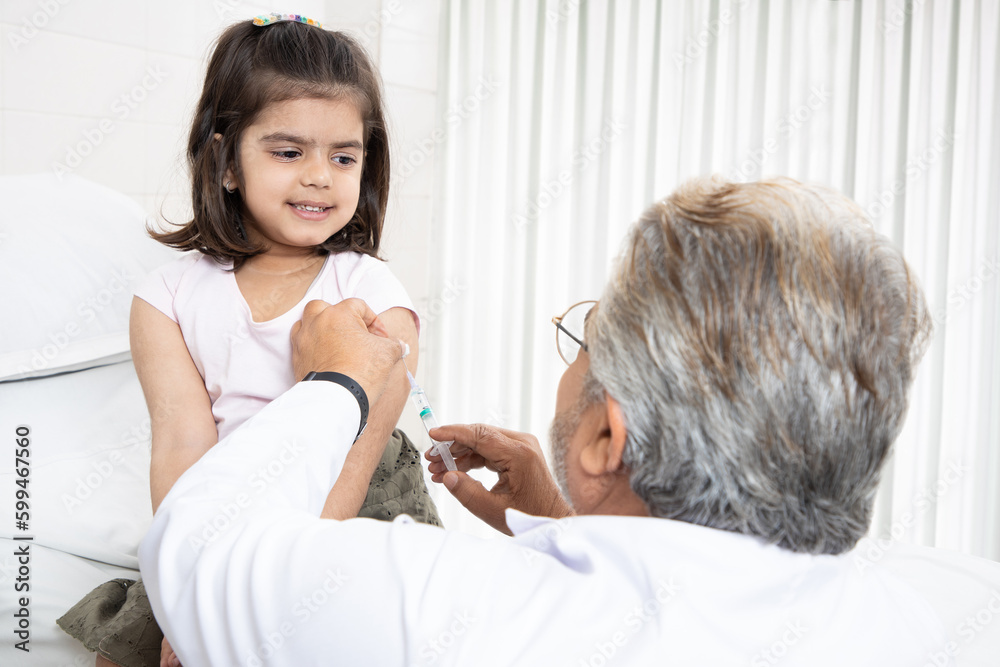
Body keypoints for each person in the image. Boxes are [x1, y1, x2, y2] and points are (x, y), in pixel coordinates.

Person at [140, 177, 1000, 666]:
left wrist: (336, 385)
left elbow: (196, 547)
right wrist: (561, 512)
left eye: (585, 339)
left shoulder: (446, 616)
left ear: (605, 439)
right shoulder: (939, 606)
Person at [56, 15, 440, 667]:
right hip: (231, 500)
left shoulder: (375, 292)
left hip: (352, 500)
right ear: (226, 162)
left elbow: (355, 455)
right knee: (130, 651)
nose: (320, 175)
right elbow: (182, 447)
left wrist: (269, 599)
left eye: (344, 156)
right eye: (289, 152)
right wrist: (191, 596)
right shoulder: (167, 297)